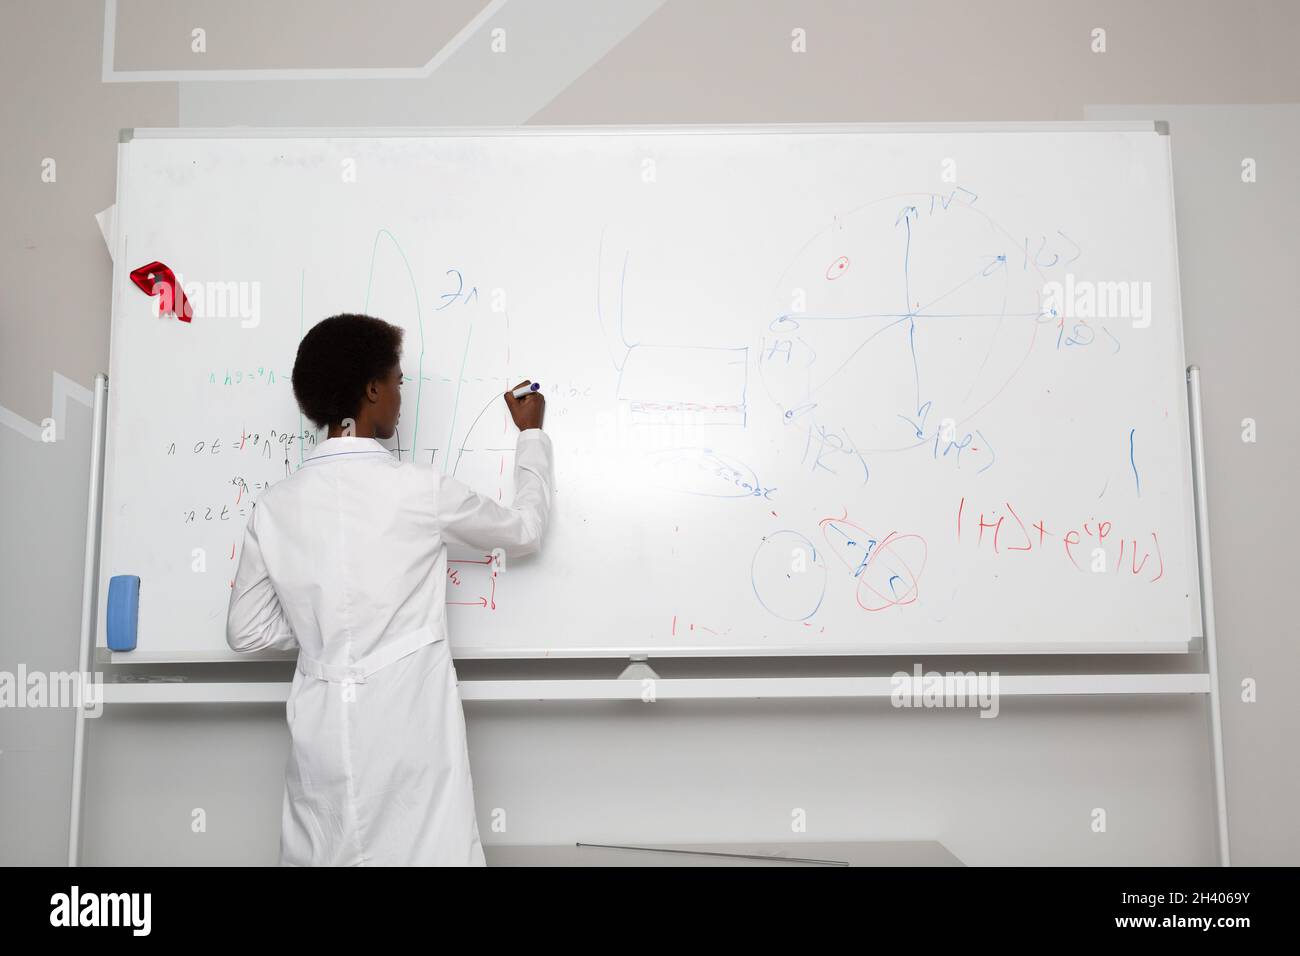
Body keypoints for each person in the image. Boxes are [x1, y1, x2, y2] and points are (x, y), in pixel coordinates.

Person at [225, 312, 552, 866]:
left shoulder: (276, 506)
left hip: (322, 737)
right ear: (373, 390)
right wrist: (532, 436)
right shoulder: (418, 490)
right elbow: (524, 530)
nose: (401, 397)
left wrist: (323, 624)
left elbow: (246, 631)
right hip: (409, 734)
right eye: (398, 383)